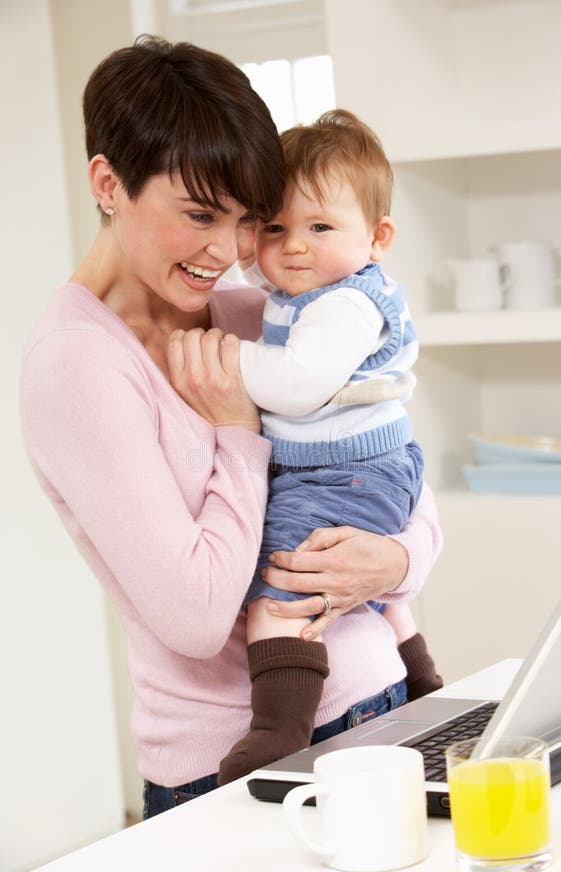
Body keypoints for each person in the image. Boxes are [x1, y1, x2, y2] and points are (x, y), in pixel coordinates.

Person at [20, 36, 443, 819]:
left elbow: (398, 476)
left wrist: (395, 562)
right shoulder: (76, 366)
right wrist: (240, 435)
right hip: (233, 766)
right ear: (109, 184)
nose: (231, 251)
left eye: (249, 219)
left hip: (379, 710)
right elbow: (196, 616)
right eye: (200, 215)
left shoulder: (257, 315)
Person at [218, 110, 442, 785]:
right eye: (274, 227)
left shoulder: (346, 304)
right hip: (363, 469)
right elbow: (259, 274)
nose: (293, 247)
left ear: (377, 239)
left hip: (344, 472)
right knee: (363, 581)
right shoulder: (304, 290)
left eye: (319, 227)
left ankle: (278, 728)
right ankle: (421, 675)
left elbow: (296, 385)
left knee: (283, 580)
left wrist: (230, 360)